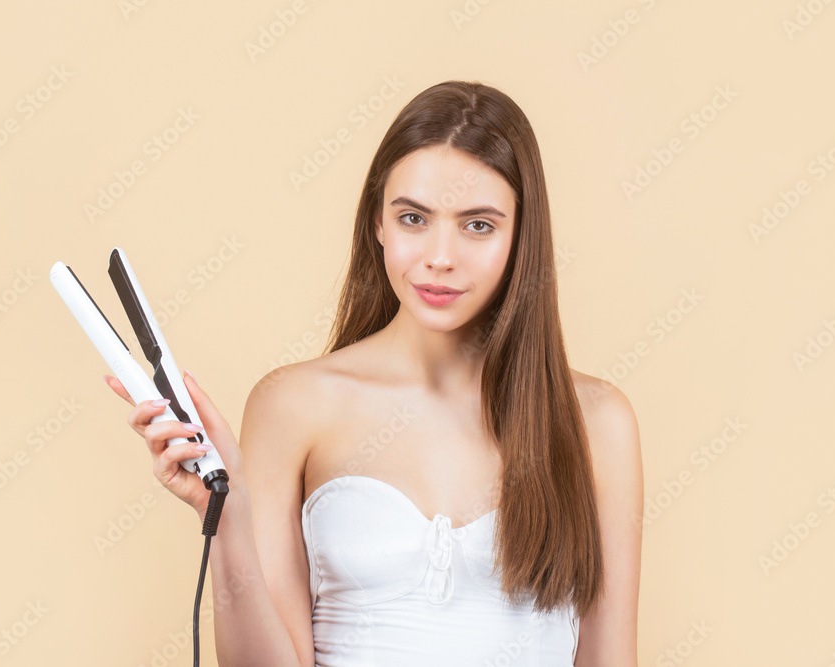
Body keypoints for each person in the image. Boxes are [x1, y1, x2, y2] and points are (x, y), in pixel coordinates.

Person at [106, 80, 642, 666]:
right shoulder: (294, 405)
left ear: (522, 236)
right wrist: (229, 519)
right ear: (378, 224)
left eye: (479, 225)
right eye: (414, 218)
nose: (440, 256)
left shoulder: (597, 424)